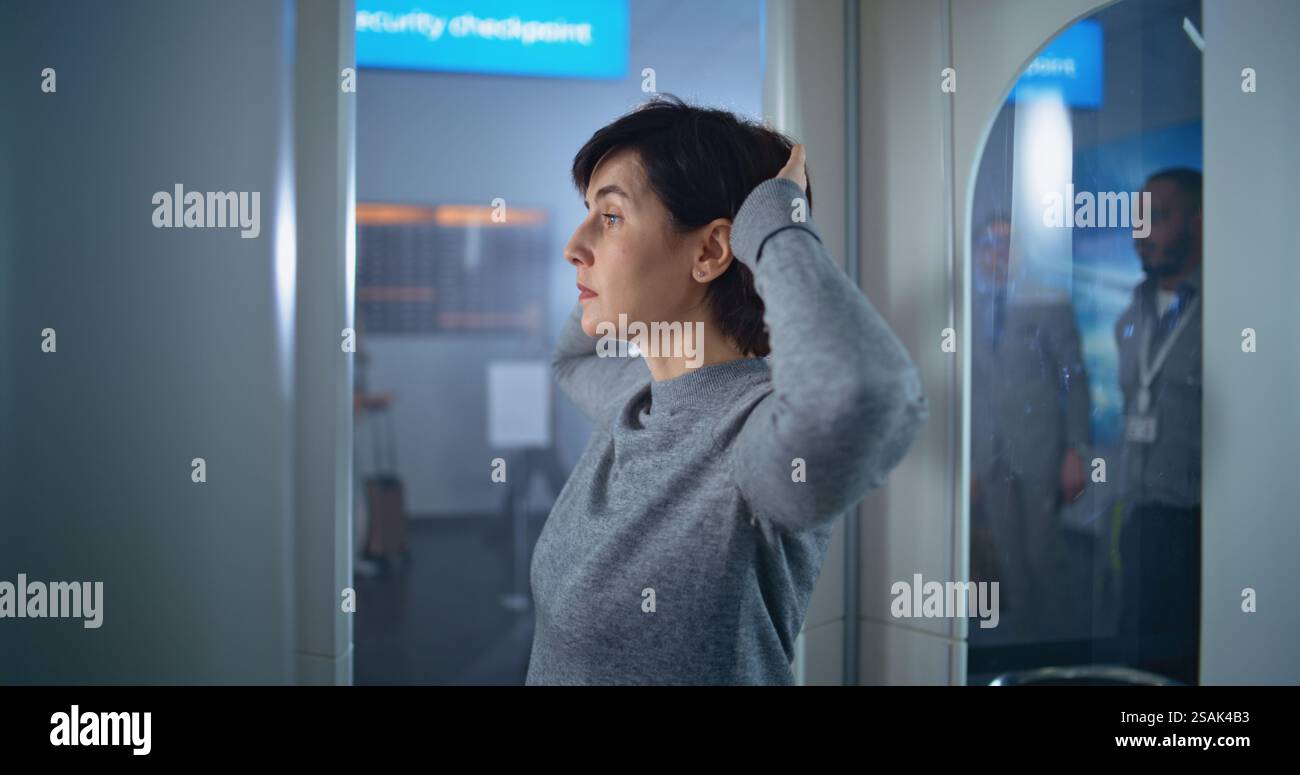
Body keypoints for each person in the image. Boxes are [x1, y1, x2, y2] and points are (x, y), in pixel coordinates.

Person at [525, 95, 928, 685]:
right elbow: (573, 355)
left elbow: (868, 394)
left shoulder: (755, 440)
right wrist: (607, 279)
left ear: (712, 250)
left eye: (609, 217)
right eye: (588, 212)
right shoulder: (638, 399)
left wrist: (774, 217)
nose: (573, 247)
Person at [968, 214, 1091, 645]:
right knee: (1007, 554)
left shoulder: (1049, 301)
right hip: (990, 453)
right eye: (988, 245)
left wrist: (1077, 450)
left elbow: (1074, 378)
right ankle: (1025, 648)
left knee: (1044, 553)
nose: (996, 255)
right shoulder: (970, 308)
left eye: (1006, 246)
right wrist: (970, 461)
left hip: (1040, 448)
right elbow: (972, 389)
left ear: (1021, 253)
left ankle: (1060, 651)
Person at [1113, 168, 1203, 685]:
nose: (1142, 232)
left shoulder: (1230, 312)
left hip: (1199, 526)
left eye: (1159, 218)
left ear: (1200, 223)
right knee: (1136, 666)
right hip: (1140, 516)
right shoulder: (1134, 309)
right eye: (1138, 219)